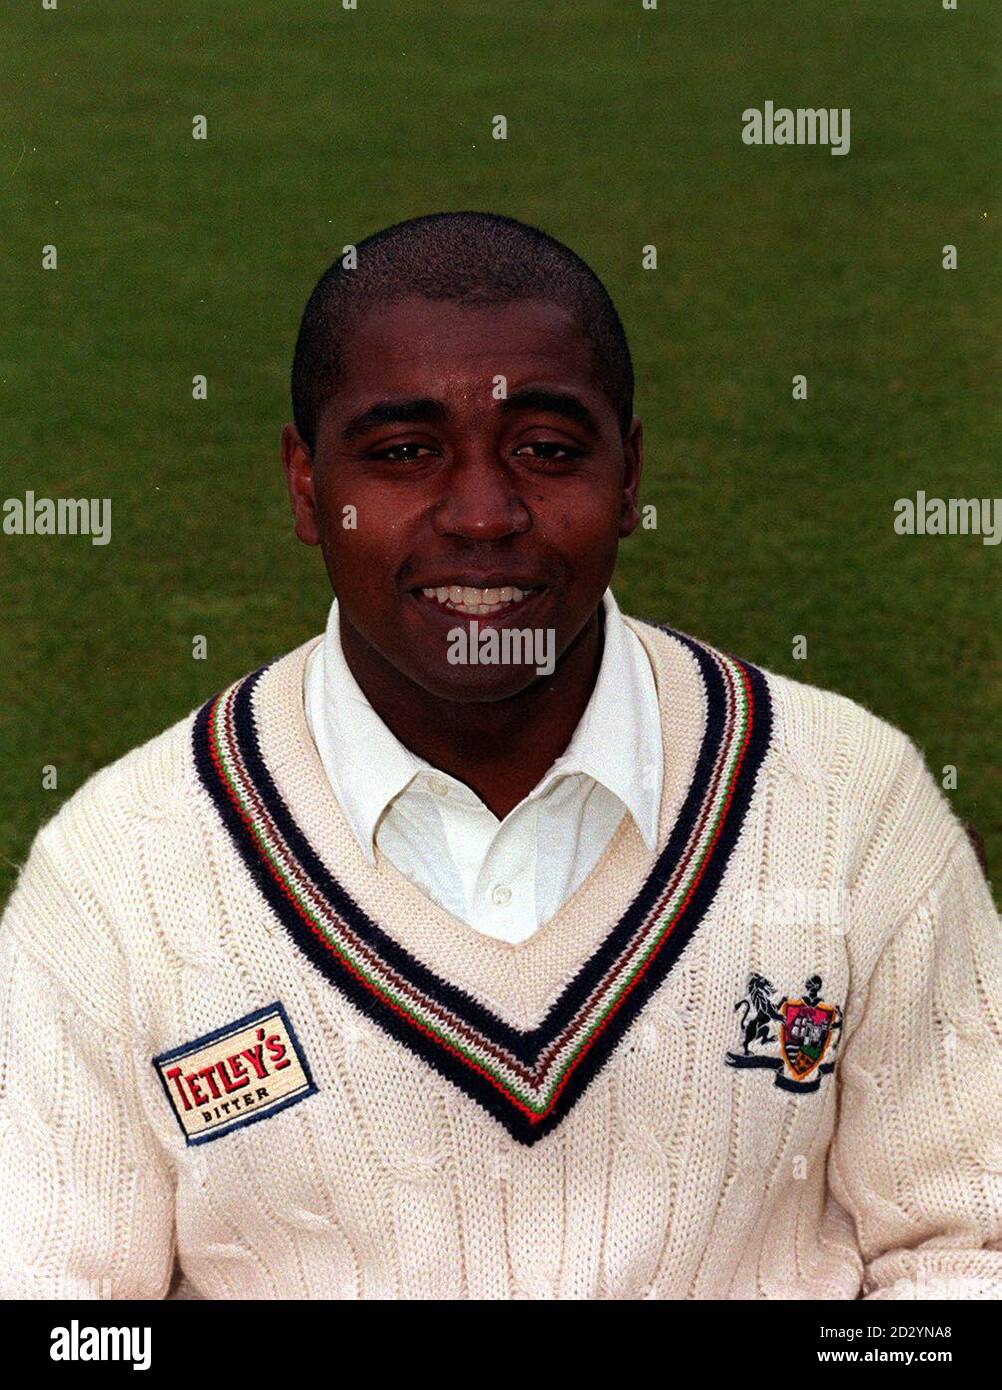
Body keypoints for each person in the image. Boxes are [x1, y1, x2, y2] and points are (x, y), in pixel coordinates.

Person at [1, 212, 998, 1301]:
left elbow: (967, 1250)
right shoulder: (115, 874)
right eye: (403, 453)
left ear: (629, 480)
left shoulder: (847, 801)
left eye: (548, 450)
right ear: (303, 484)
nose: (483, 514)